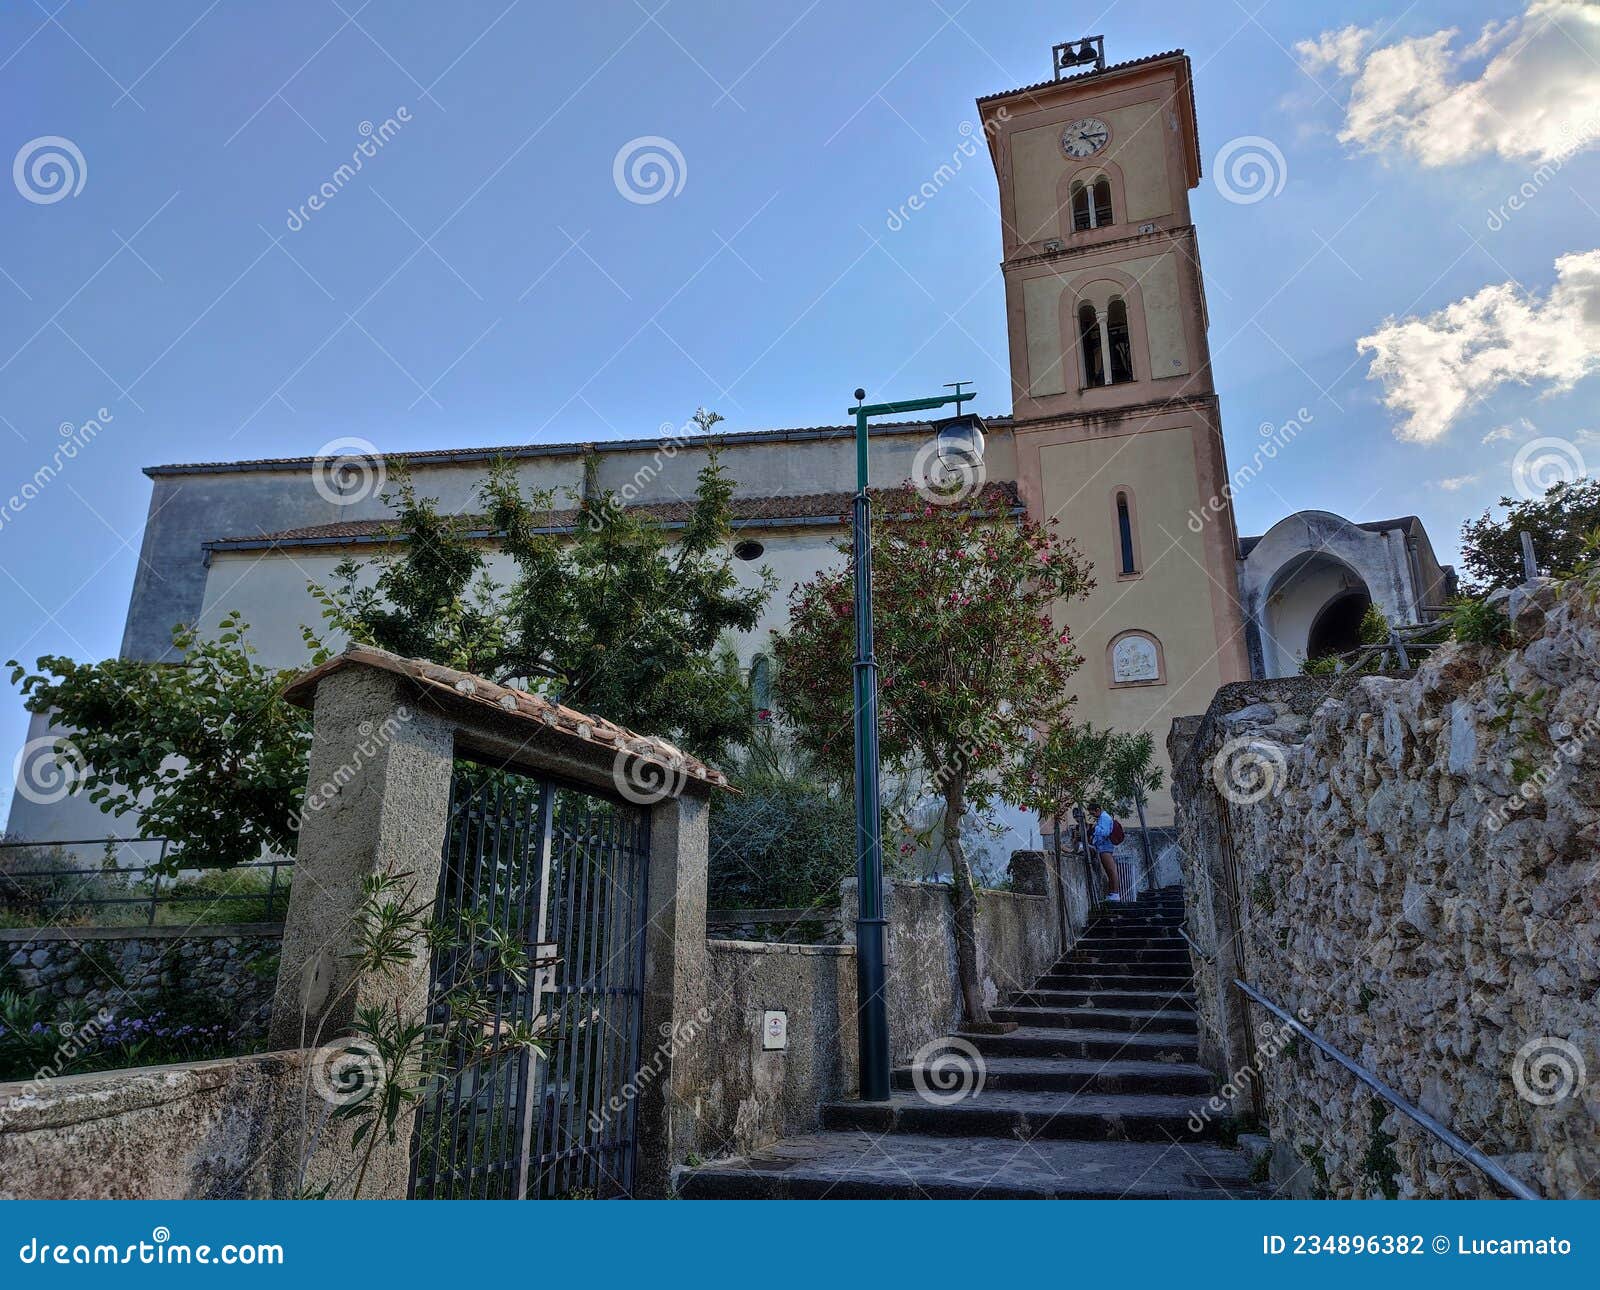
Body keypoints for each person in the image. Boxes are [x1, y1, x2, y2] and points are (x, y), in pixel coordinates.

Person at [1089, 799, 1120, 901]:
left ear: (1098, 810)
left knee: (1111, 869)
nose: (1093, 815)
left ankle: (1115, 894)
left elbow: (1105, 832)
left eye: (1093, 813)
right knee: (1109, 870)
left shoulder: (1104, 818)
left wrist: (1095, 828)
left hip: (1105, 846)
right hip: (1102, 846)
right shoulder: (1102, 818)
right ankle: (1112, 893)